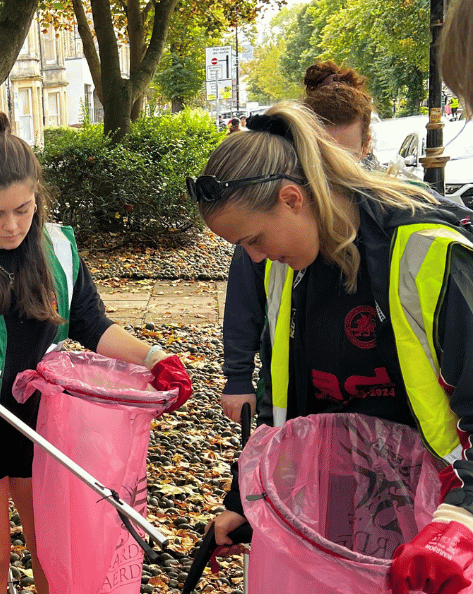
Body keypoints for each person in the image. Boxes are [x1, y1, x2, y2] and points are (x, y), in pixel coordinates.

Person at [0, 112, 193, 594]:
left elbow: (92, 324)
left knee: (53, 557)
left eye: (24, 210)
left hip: (43, 431)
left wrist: (154, 357)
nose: (12, 227)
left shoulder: (59, 249)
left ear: (37, 199)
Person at [191, 102, 473, 594]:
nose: (254, 258)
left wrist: (461, 521)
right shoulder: (287, 270)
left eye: (254, 239)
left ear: (293, 197)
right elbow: (281, 402)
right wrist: (246, 499)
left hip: (438, 517)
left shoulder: (428, 252)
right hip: (337, 511)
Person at [220, 62, 381, 425]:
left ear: (366, 144)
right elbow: (245, 300)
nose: (330, 177)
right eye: (318, 160)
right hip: (297, 401)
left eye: (343, 158)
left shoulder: (395, 235)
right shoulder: (274, 228)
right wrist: (238, 376)